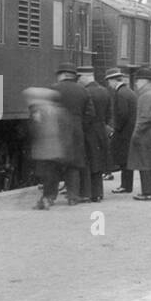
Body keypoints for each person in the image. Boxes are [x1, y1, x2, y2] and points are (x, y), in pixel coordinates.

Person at [52, 62, 93, 204]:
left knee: (54, 165)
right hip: (76, 132)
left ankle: (50, 198)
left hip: (57, 132)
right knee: (74, 165)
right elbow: (90, 114)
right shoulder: (83, 91)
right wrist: (80, 126)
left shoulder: (53, 89)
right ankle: (73, 197)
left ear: (61, 75)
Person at [24, 87, 67, 210]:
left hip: (43, 147)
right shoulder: (56, 109)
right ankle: (50, 197)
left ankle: (45, 199)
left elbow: (35, 129)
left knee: (45, 174)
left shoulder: (37, 110)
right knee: (52, 174)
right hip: (55, 146)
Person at [128, 69, 151, 200]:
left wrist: (136, 134)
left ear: (144, 80)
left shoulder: (146, 95)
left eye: (138, 80)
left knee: (145, 164)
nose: (136, 83)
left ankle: (147, 192)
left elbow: (144, 118)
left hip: (146, 135)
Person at [78, 67, 112, 203]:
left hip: (89, 131)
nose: (79, 81)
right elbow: (109, 113)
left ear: (85, 77)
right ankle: (98, 193)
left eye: (79, 78)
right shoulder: (104, 91)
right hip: (101, 130)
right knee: (98, 163)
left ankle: (88, 193)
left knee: (88, 163)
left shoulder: (85, 92)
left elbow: (85, 114)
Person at [106, 69, 137, 194]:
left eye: (109, 81)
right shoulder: (129, 92)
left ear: (114, 80)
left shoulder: (120, 94)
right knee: (127, 160)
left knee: (124, 161)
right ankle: (127, 185)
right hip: (130, 131)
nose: (109, 84)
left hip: (124, 133)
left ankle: (125, 186)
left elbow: (122, 114)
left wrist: (116, 129)